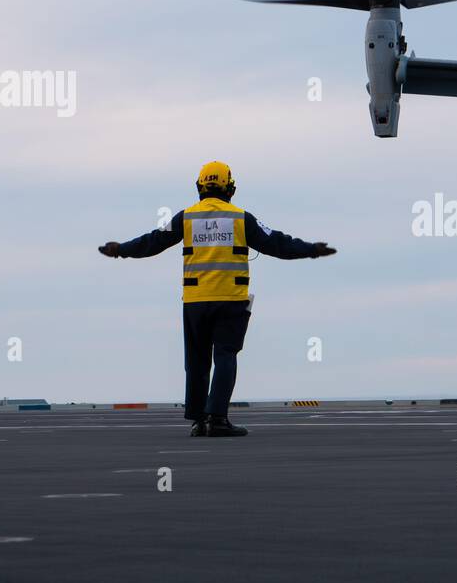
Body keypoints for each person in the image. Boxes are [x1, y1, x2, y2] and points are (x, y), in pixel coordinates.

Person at [98, 161, 335, 437]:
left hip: (195, 301)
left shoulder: (185, 218)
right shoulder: (241, 218)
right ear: (230, 189)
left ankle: (199, 421)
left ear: (199, 187)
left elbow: (152, 242)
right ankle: (218, 419)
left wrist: (120, 250)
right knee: (225, 356)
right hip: (230, 299)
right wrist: (311, 250)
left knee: (196, 361)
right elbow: (277, 243)